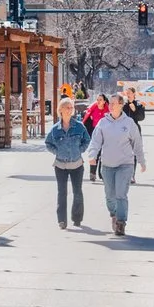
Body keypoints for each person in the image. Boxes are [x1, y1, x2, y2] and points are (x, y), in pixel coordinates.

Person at [87, 94, 147, 237]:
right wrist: (92, 155)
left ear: (121, 105)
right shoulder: (103, 123)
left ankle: (121, 222)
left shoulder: (129, 123)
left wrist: (141, 160)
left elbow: (137, 143)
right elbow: (95, 141)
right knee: (110, 195)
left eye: (114, 103)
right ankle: (113, 214)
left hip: (125, 164)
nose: (111, 106)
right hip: (107, 165)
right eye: (110, 103)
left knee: (121, 194)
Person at [43, 97, 91, 230]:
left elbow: (87, 140)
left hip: (77, 164)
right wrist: (57, 152)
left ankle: (77, 218)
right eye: (67, 107)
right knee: (62, 192)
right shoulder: (55, 129)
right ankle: (62, 220)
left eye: (71, 108)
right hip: (60, 165)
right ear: (61, 110)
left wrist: (80, 150)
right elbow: (48, 143)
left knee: (77, 192)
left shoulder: (79, 126)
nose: (70, 110)